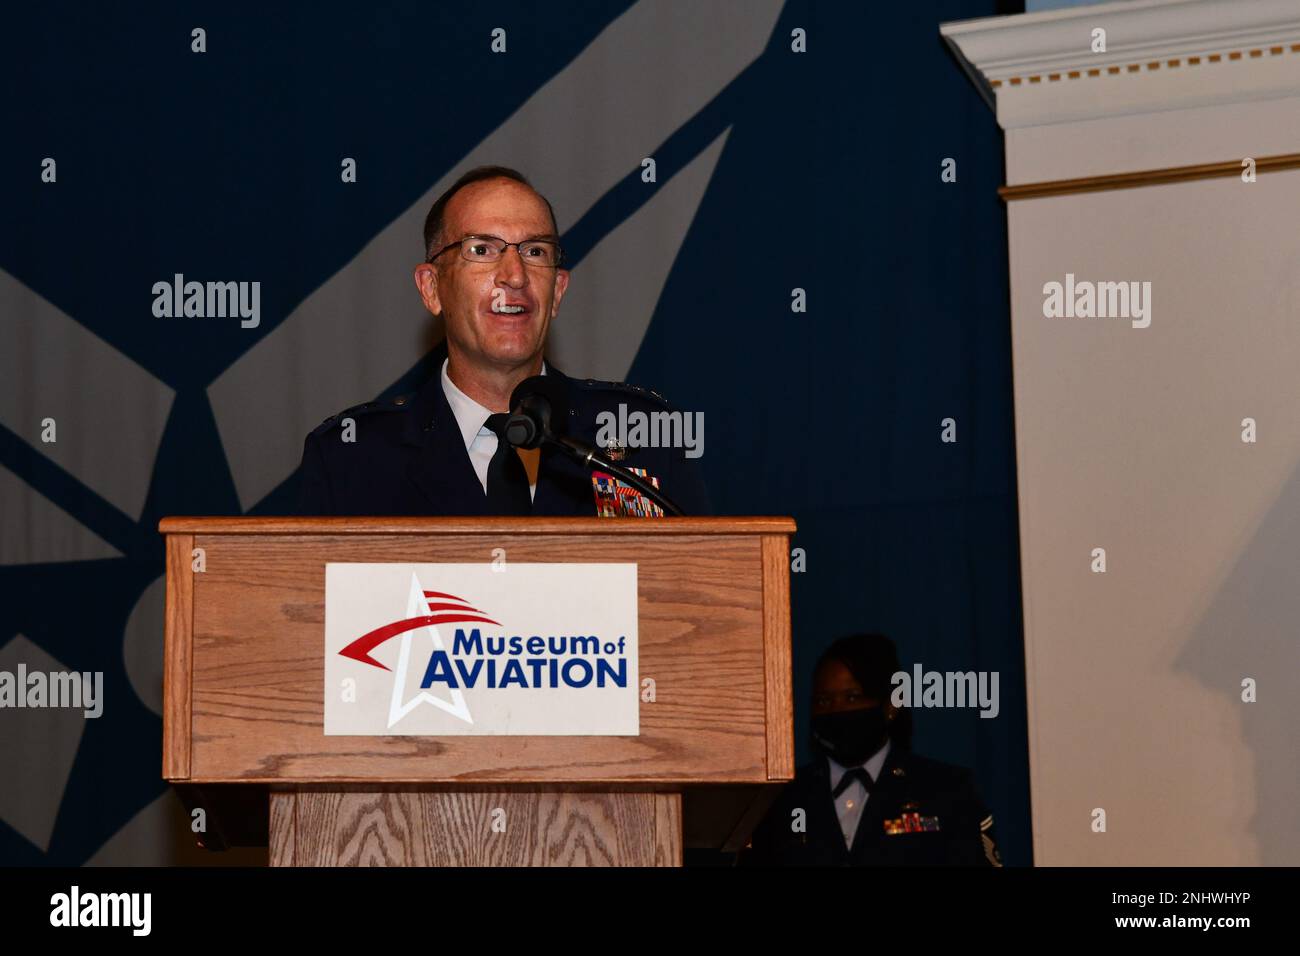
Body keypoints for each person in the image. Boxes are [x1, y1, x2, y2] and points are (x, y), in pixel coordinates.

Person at [297, 165, 709, 517]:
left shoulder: (644, 436)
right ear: (432, 288)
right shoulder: (350, 458)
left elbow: (706, 594)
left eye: (534, 252)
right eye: (482, 249)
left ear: (558, 292)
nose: (514, 275)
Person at [740, 633, 1002, 866]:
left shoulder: (945, 790)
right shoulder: (780, 800)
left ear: (889, 706)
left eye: (852, 697)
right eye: (824, 701)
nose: (837, 710)